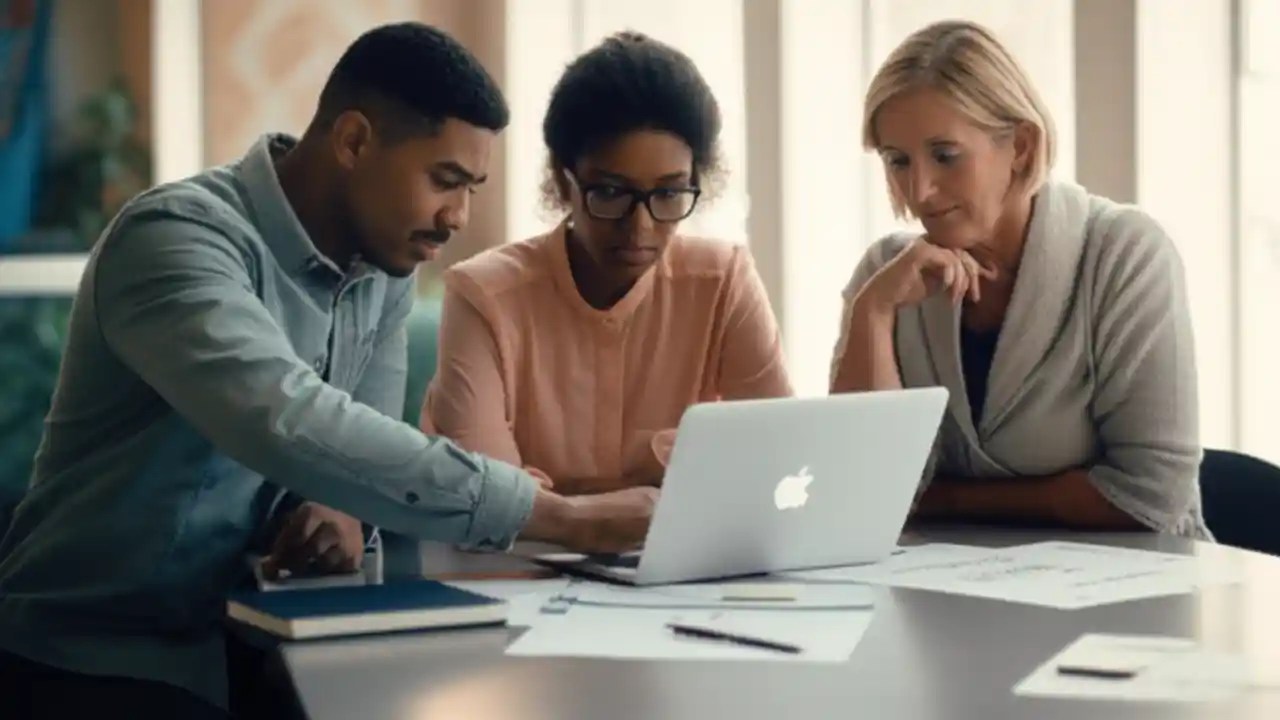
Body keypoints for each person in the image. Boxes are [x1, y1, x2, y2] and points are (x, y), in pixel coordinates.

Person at [0, 23, 655, 718]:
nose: (459, 216)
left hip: (253, 640)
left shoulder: (384, 267)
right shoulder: (174, 241)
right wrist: (562, 519)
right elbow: (287, 420)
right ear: (352, 141)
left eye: (472, 187)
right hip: (83, 660)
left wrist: (337, 510)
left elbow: (357, 446)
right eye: (445, 180)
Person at [829, 20, 1207, 537]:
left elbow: (1151, 494)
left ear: (1022, 148)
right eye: (898, 161)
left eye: (945, 155)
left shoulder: (1124, 254)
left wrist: (940, 499)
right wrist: (870, 315)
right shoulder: (886, 276)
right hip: (944, 598)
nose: (920, 191)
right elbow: (858, 493)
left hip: (1132, 592)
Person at [421, 32, 791, 496]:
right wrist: (687, 466)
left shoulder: (723, 280)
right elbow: (486, 498)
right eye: (611, 193)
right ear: (563, 180)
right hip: (514, 567)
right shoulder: (482, 295)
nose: (640, 228)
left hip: (681, 560)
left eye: (669, 194)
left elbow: (780, 455)